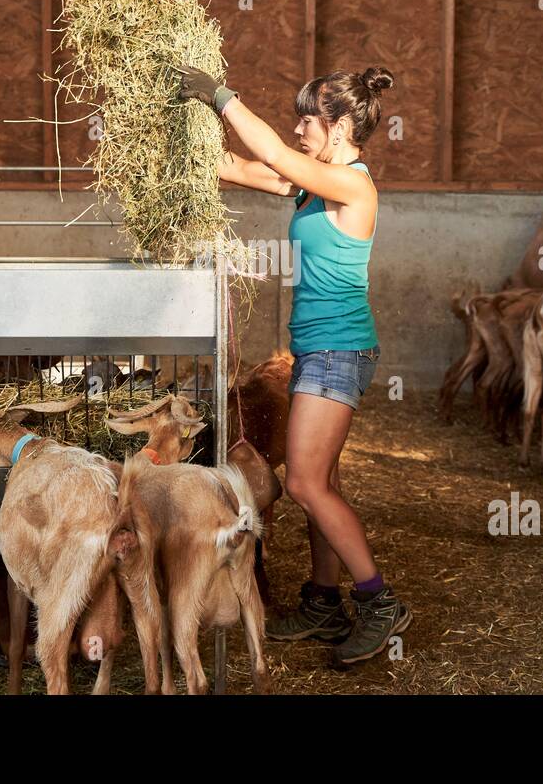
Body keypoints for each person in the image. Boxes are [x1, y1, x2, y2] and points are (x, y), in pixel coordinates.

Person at [175, 63, 411, 666]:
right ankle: (324, 599)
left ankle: (381, 602)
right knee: (323, 484)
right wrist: (177, 139)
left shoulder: (354, 186)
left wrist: (223, 96)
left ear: (337, 129)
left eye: (308, 118)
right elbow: (246, 166)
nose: (298, 128)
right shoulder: (314, 184)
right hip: (316, 350)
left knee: (304, 482)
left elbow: (276, 155)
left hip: (339, 352)